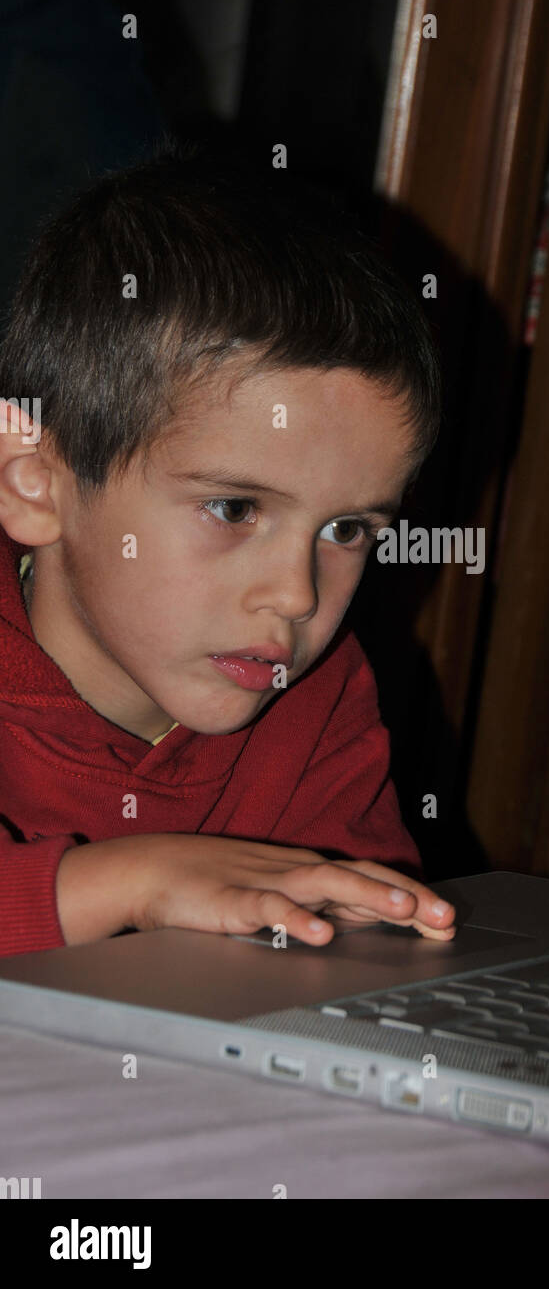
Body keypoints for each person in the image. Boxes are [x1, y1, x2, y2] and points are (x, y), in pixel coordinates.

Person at [0, 140, 456, 957]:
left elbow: (361, 951)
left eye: (346, 530)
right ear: (37, 481)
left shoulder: (316, 699)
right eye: (235, 507)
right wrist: (133, 883)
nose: (295, 595)